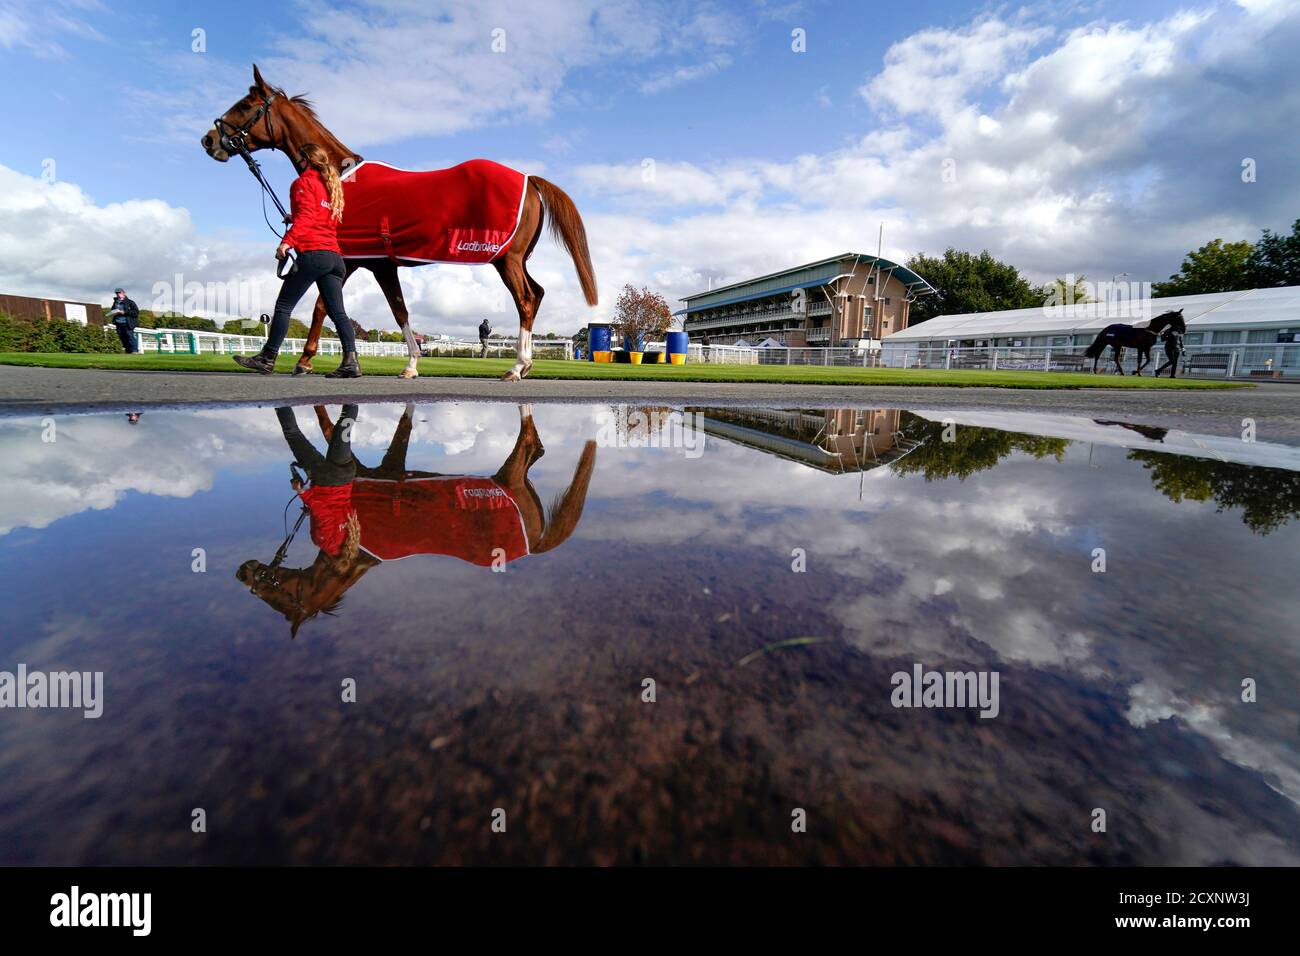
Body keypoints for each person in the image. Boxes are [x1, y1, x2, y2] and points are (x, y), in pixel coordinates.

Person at [234, 143, 361, 378]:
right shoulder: (330, 187)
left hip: (313, 254)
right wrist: (294, 217)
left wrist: (287, 241)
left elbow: (308, 217)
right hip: (334, 257)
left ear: (304, 160)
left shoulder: (303, 182)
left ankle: (267, 358)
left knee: (284, 306)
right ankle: (351, 362)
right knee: (338, 313)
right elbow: (319, 217)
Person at [106, 288, 139, 353]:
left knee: (130, 336)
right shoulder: (115, 302)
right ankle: (128, 351)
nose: (118, 294)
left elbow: (135, 312)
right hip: (118, 322)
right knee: (122, 337)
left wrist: (124, 312)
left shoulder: (130, 302)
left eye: (119, 293)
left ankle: (135, 350)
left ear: (124, 293)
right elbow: (113, 310)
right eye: (117, 293)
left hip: (127, 323)